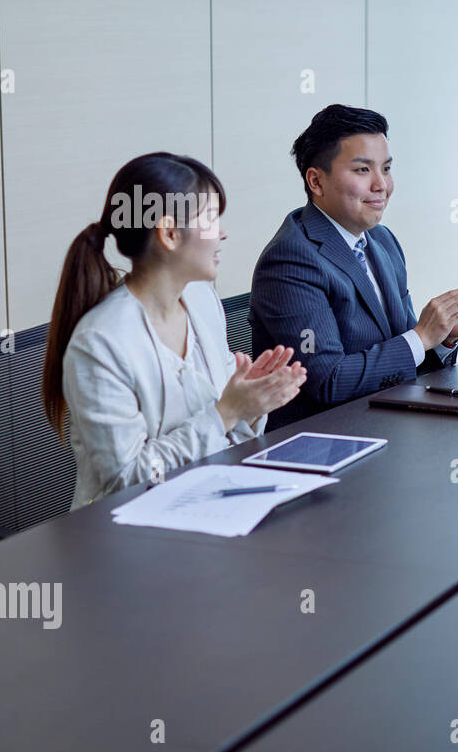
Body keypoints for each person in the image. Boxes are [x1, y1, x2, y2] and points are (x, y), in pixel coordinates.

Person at [43, 152, 307, 508]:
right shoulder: (100, 342)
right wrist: (226, 411)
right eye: (212, 219)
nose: (223, 233)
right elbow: (126, 479)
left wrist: (250, 402)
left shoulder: (201, 300)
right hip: (123, 533)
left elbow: (227, 436)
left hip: (208, 501)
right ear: (168, 233)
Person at [250, 105, 458, 428]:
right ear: (316, 181)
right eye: (362, 170)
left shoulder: (382, 241)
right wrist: (421, 336)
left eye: (386, 168)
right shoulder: (290, 259)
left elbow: (405, 357)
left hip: (389, 426)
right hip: (322, 445)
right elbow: (329, 381)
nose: (381, 184)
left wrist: (445, 335)